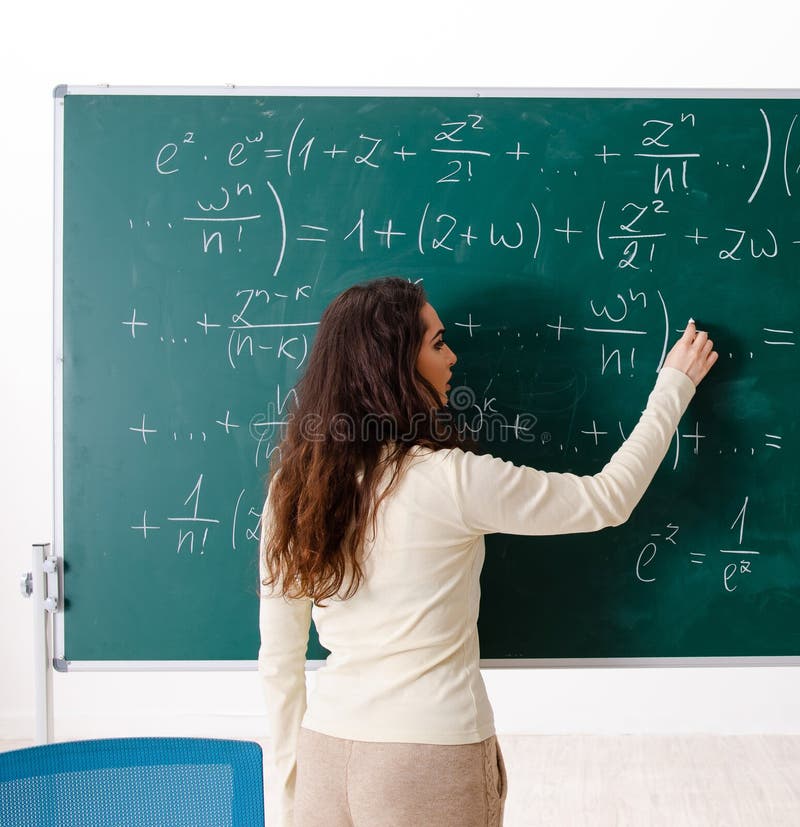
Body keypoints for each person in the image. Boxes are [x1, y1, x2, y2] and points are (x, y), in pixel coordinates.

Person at [258, 276, 718, 827]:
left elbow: (280, 662)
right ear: (394, 364)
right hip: (426, 756)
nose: (452, 357)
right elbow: (606, 499)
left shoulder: (294, 487)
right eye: (436, 343)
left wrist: (290, 795)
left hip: (325, 759)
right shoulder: (449, 479)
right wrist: (673, 386)